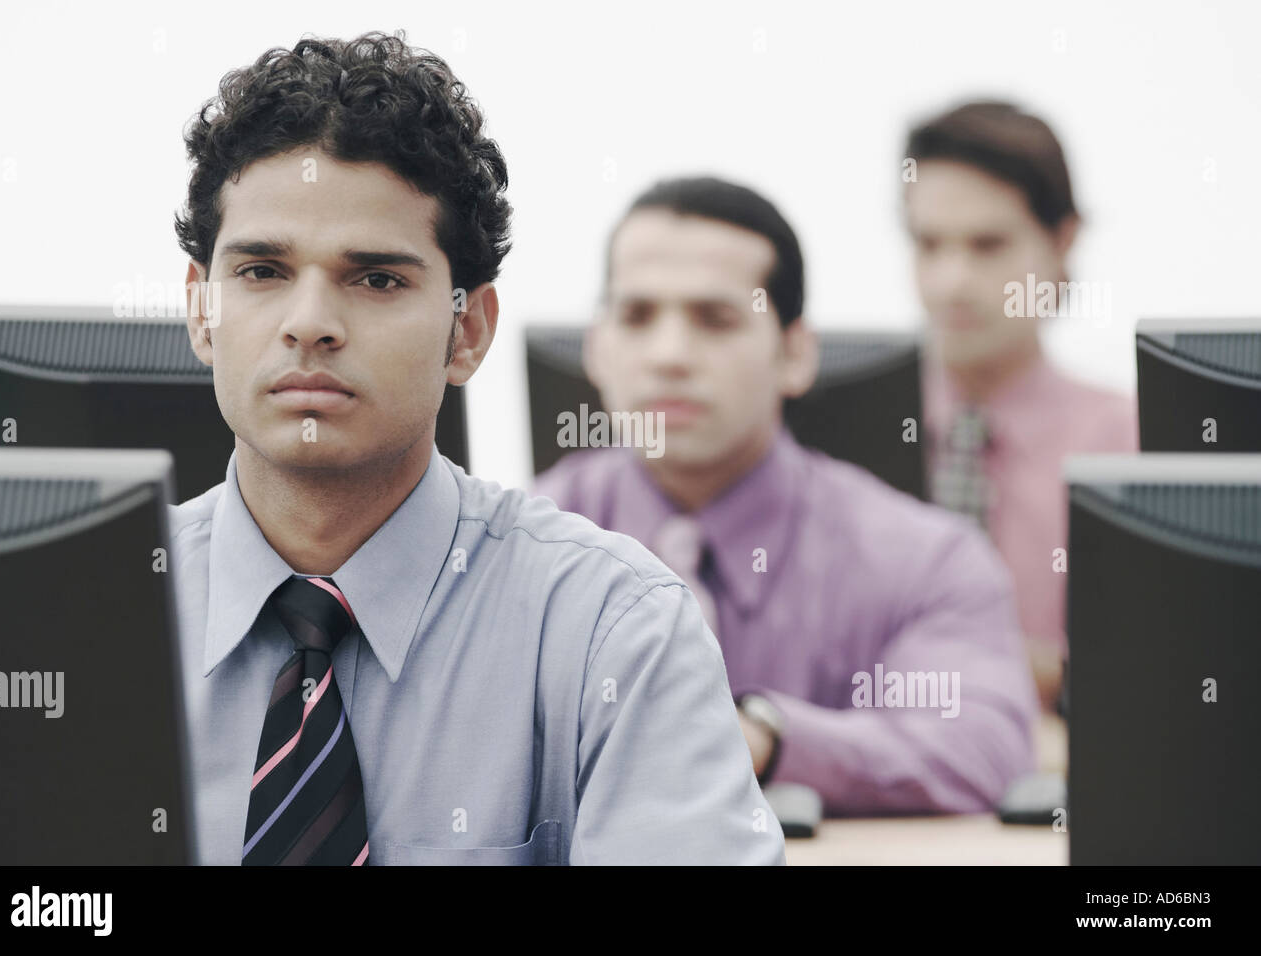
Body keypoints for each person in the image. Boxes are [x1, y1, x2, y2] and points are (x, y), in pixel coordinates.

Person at [170, 32, 783, 865]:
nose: (308, 321)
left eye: (377, 278)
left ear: (467, 330)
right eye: (262, 271)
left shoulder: (616, 632)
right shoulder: (77, 615)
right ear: (202, 311)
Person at [533, 176, 1038, 815]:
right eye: (636, 316)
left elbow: (981, 747)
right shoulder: (517, 550)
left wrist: (764, 739)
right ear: (596, 349)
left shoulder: (929, 560)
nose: (668, 354)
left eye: (715, 319)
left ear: (796, 354)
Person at [903, 101, 1139, 713]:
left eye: (988, 245)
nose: (951, 280)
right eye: (929, 245)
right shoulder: (833, 438)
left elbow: (1156, 673)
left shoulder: (1129, 442)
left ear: (1062, 241)